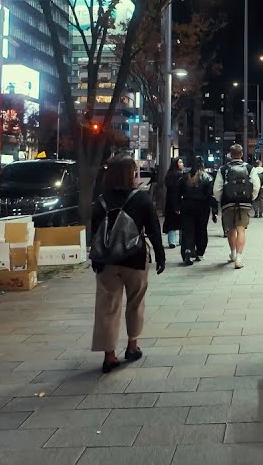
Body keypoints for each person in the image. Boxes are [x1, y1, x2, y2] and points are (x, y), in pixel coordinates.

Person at [89, 156, 165, 373]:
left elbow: (94, 232)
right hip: (135, 258)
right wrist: (160, 256)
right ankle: (132, 345)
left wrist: (95, 259)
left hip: (107, 261)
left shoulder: (102, 200)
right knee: (135, 302)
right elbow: (152, 229)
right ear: (130, 173)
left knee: (106, 307)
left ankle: (109, 355)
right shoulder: (140, 198)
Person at [214, 145, 260, 269]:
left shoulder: (223, 169)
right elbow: (256, 186)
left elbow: (217, 189)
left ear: (230, 154)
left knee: (231, 230)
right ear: (242, 154)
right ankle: (239, 258)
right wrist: (251, 198)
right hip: (244, 203)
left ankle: (233, 253)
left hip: (228, 203)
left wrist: (221, 201)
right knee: (241, 230)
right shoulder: (250, 168)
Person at [177, 157, 216, 265]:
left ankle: (187, 250)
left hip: (187, 206)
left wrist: (177, 206)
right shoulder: (208, 178)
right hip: (202, 207)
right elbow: (210, 196)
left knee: (187, 230)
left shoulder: (184, 177)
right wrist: (214, 211)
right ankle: (200, 252)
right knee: (201, 230)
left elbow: (178, 193)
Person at [162, 158, 185, 250]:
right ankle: (181, 240)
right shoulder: (180, 175)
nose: (182, 164)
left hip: (170, 202)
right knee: (181, 222)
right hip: (179, 201)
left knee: (171, 222)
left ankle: (172, 241)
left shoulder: (169, 175)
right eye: (180, 162)